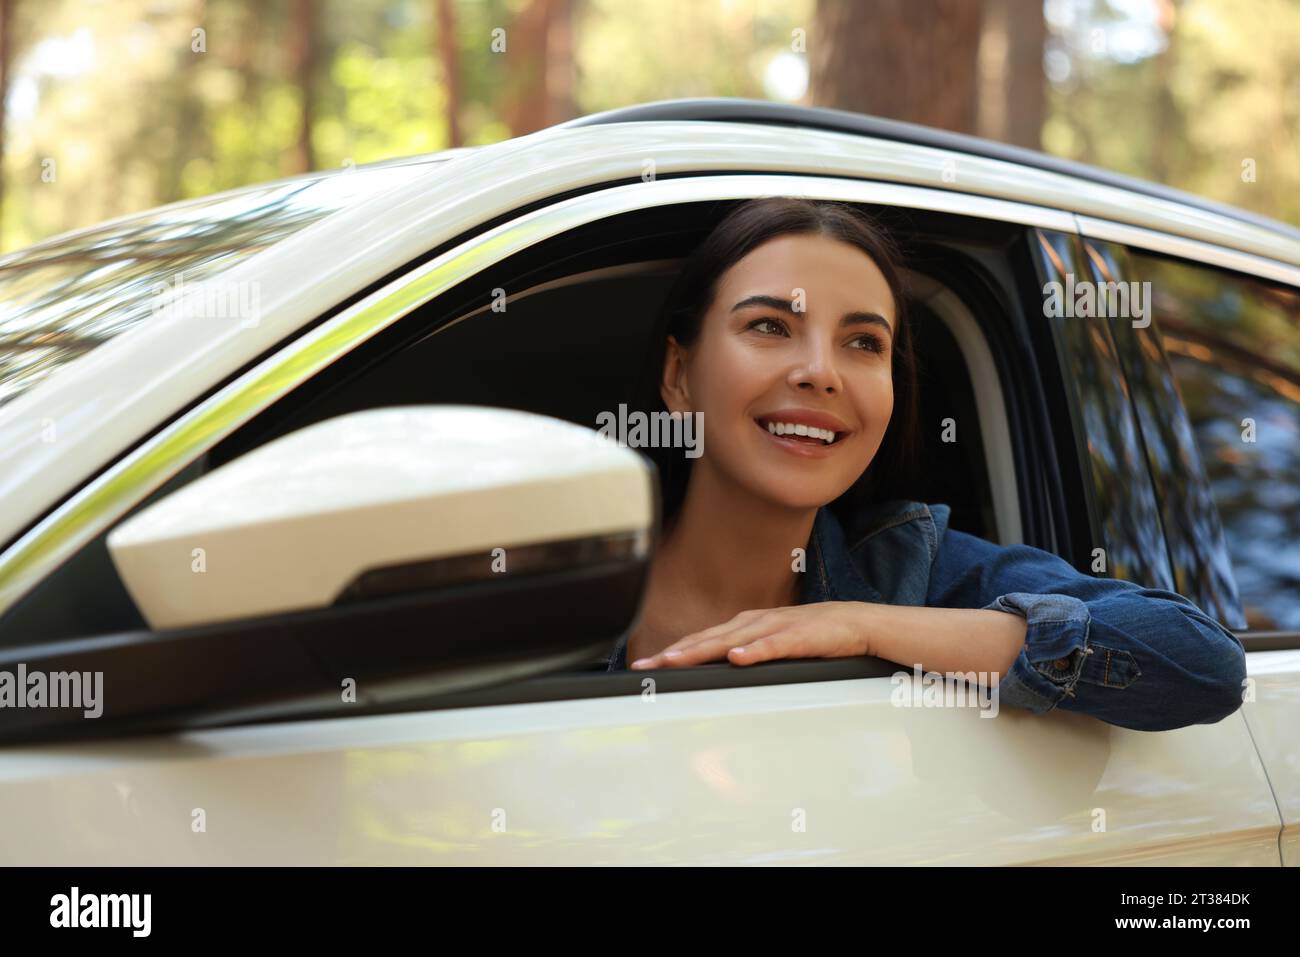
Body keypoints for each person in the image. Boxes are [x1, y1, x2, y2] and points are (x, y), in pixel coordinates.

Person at [605, 196, 1246, 733]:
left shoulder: (913, 566)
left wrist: (858, 624)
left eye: (863, 342)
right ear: (679, 374)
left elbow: (1203, 664)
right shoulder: (553, 568)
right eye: (771, 326)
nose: (820, 373)